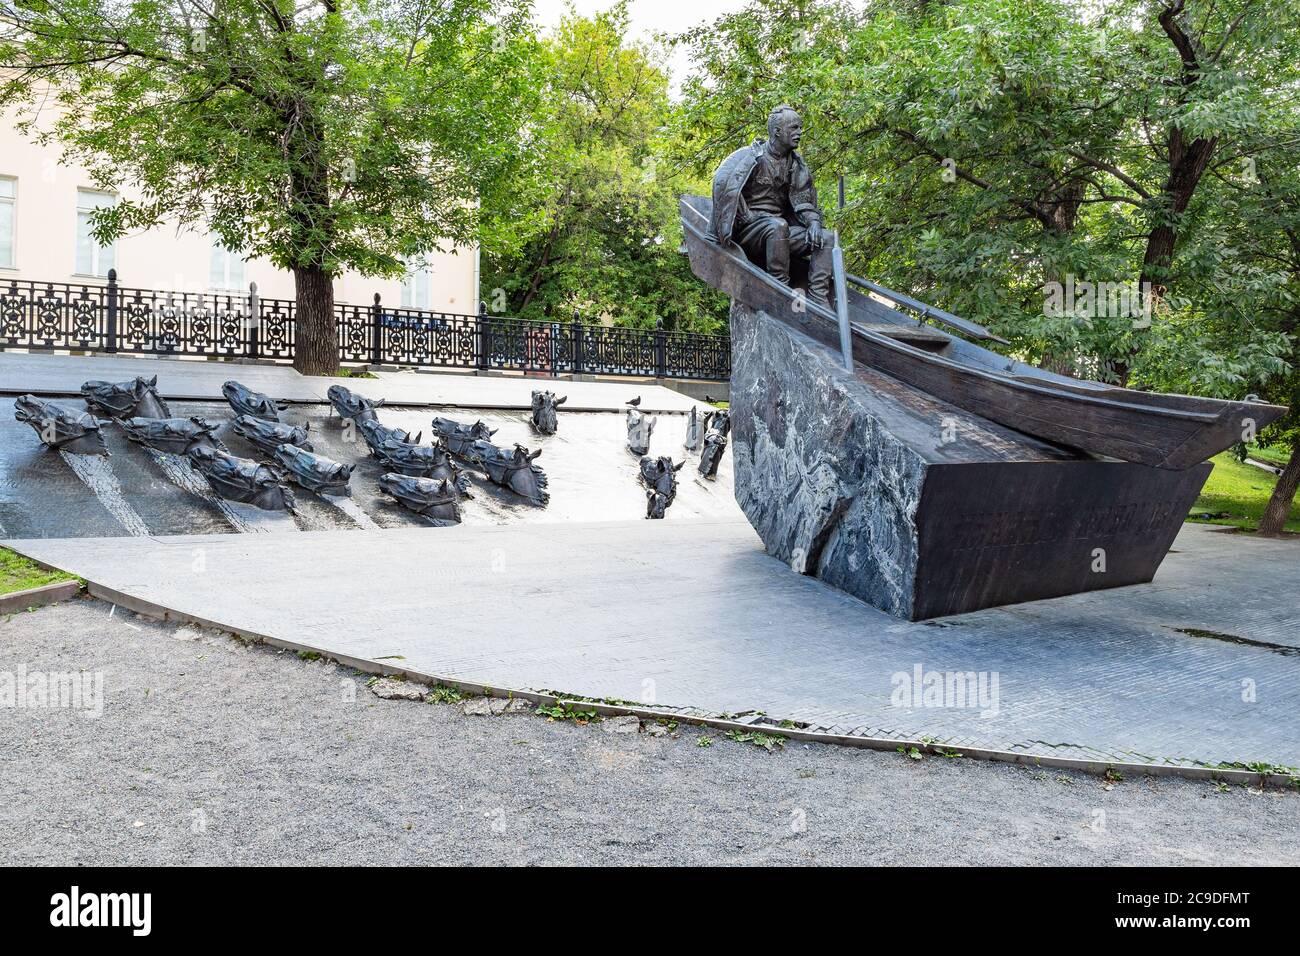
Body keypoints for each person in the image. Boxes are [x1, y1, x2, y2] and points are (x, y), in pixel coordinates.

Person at [707, 105, 833, 307]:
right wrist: (746, 216)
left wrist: (814, 222)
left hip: (779, 232)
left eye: (800, 128)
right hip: (749, 232)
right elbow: (727, 188)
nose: (799, 133)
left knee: (827, 238)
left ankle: (818, 297)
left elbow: (803, 200)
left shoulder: (796, 165)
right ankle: (779, 287)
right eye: (794, 128)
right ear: (777, 131)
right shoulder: (750, 157)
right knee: (778, 226)